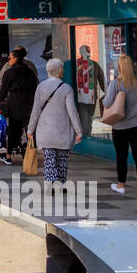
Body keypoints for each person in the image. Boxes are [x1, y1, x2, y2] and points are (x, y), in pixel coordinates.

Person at [26, 58, 82, 189]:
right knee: (62, 160)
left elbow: (35, 110)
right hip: (63, 133)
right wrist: (78, 131)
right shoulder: (66, 88)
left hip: (45, 133)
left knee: (49, 160)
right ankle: (60, 184)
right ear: (60, 71)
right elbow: (72, 112)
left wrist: (30, 130)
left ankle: (50, 183)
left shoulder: (41, 87)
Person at [104, 54, 137, 198]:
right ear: (133, 66)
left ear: (119, 67)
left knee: (121, 156)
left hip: (120, 126)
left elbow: (106, 103)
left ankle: (121, 185)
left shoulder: (116, 84)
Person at [0, 46, 37, 160]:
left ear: (16, 58)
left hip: (14, 102)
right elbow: (35, 86)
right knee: (29, 127)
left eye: (10, 58)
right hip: (28, 102)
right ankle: (30, 152)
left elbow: (4, 89)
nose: (9, 60)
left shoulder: (10, 72)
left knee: (13, 128)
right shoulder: (30, 71)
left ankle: (8, 155)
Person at [74, 45, 106, 138]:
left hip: (80, 96)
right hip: (91, 96)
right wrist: (106, 91)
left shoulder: (75, 64)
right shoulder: (95, 64)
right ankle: (87, 134)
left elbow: (101, 79)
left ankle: (85, 136)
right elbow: (102, 79)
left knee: (84, 117)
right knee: (88, 117)